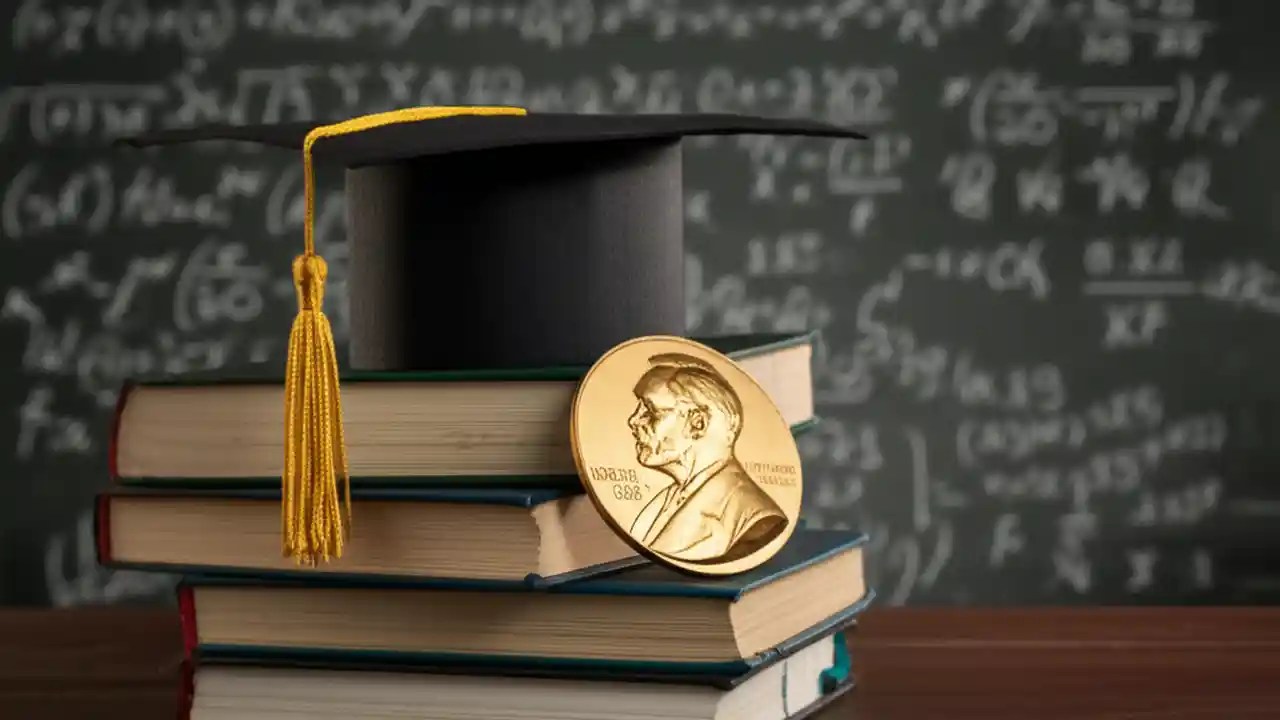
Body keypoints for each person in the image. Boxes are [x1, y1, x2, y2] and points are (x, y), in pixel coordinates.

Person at [626, 352, 787, 563]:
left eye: (650, 411)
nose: (633, 421)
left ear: (697, 423)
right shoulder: (661, 502)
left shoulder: (751, 516)